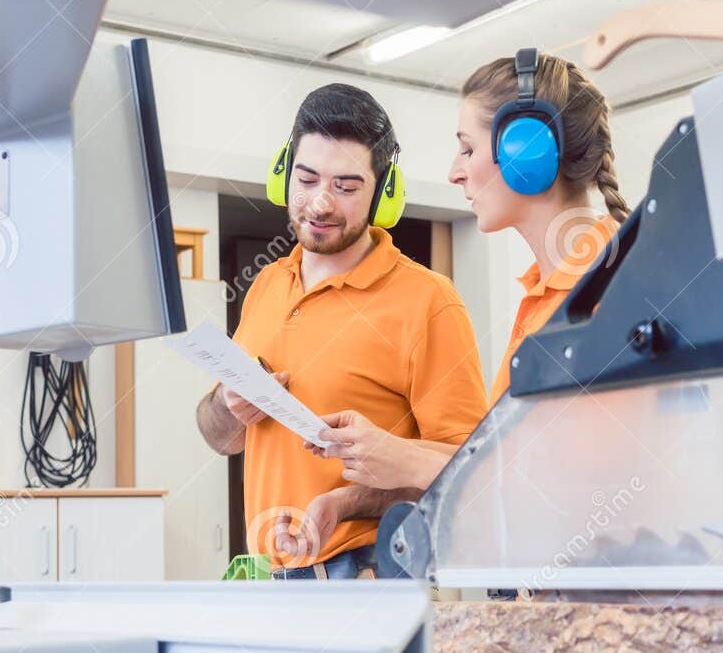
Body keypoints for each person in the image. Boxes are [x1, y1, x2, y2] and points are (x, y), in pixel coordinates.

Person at [196, 83, 488, 578]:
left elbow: (472, 473)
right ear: (283, 172)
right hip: (268, 574)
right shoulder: (267, 284)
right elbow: (222, 439)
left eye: (346, 187)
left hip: (364, 574)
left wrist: (350, 501)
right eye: (306, 179)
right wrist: (227, 406)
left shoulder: (429, 302)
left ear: (383, 193)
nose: (321, 203)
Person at [312, 49, 630, 492]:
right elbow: (514, 457)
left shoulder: (605, 293)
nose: (454, 172)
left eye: (467, 148)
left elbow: (581, 485)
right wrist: (383, 459)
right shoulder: (549, 295)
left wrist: (413, 466)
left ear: (527, 152)